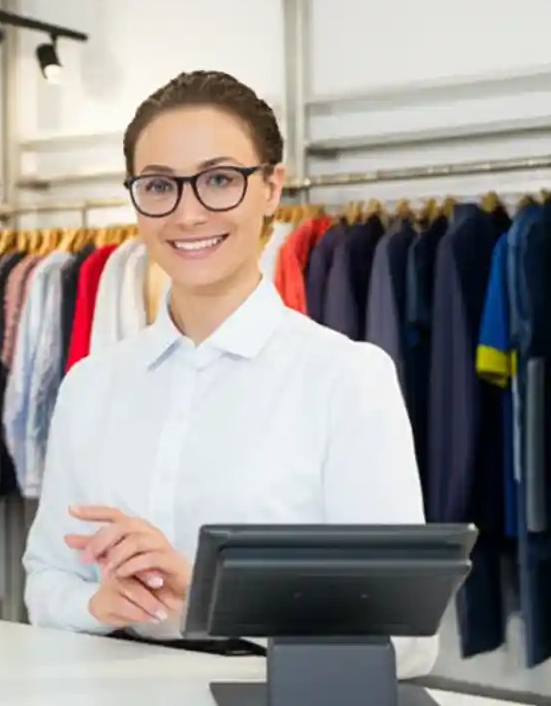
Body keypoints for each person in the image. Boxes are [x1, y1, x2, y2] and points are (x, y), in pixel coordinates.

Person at [21, 70, 437, 678]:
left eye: (219, 180)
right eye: (160, 185)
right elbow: (44, 581)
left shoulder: (347, 379)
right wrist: (95, 603)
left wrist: (211, 594)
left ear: (272, 187)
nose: (188, 214)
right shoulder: (90, 384)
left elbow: (406, 641)